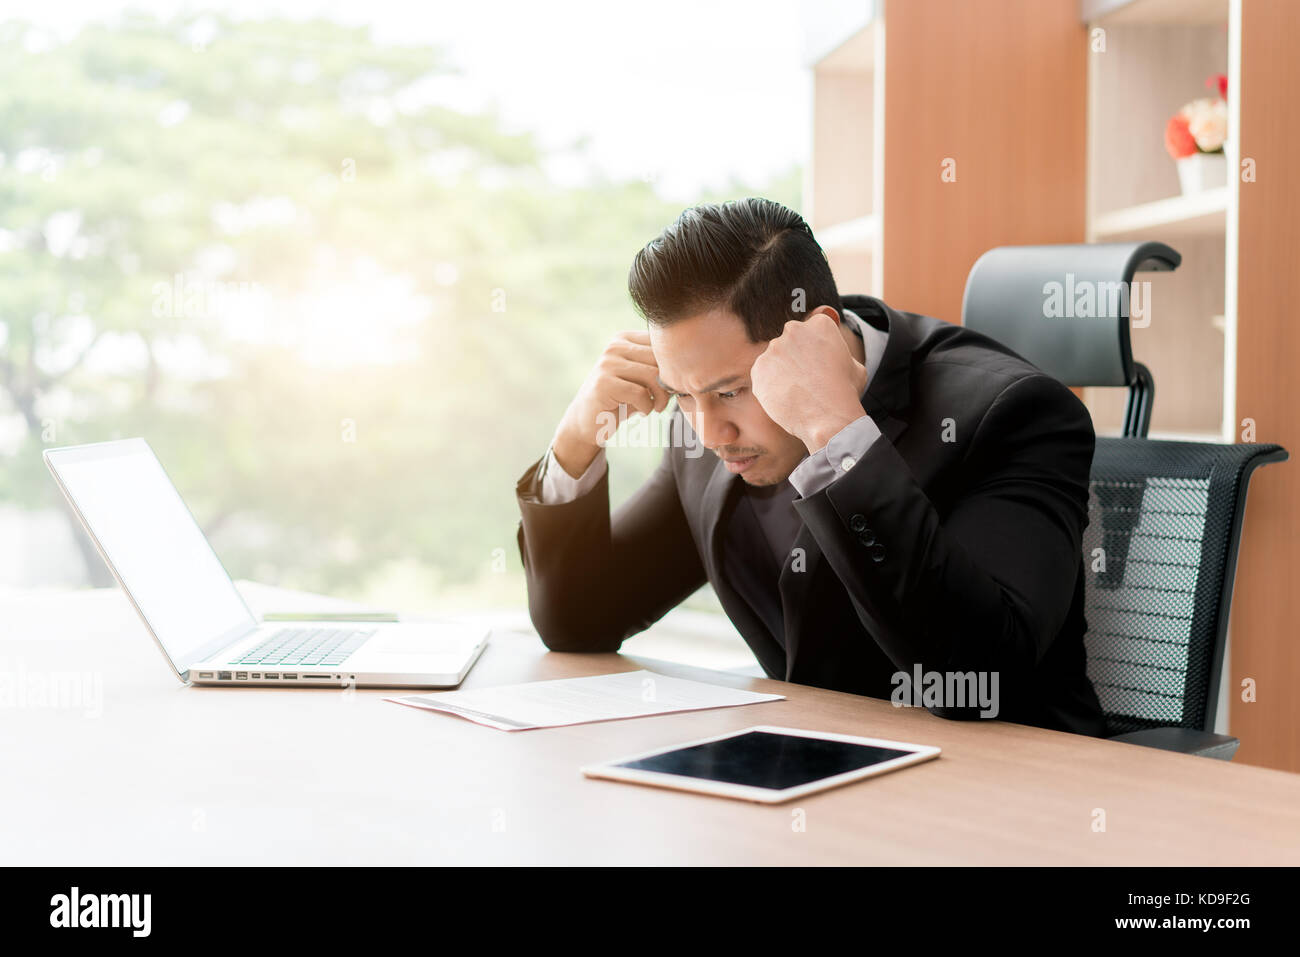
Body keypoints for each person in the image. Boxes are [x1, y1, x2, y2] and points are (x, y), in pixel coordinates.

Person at [514, 197, 1108, 736]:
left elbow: (979, 676)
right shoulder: (705, 424)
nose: (709, 433)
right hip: (808, 785)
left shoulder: (1012, 413)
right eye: (681, 395)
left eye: (732, 390)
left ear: (815, 336)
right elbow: (581, 624)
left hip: (1005, 794)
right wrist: (575, 439)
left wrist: (837, 435)